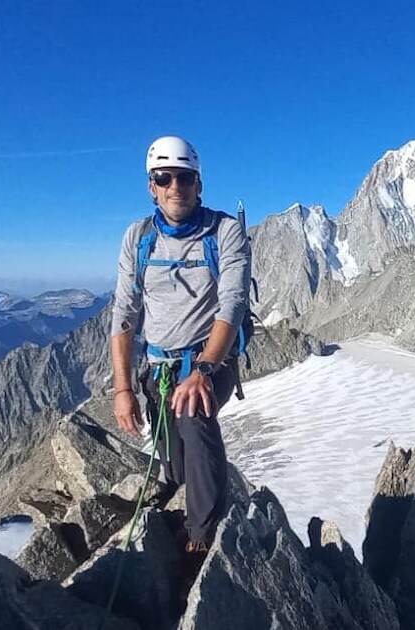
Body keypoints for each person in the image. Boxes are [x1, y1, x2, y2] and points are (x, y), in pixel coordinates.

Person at [110, 135, 252, 555]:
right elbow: (124, 315)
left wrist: (204, 370)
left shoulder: (225, 232)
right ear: (151, 186)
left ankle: (202, 540)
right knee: (174, 465)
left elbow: (233, 305)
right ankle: (184, 510)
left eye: (185, 178)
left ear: (198, 184)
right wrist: (123, 389)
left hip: (211, 360)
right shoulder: (138, 237)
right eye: (164, 178)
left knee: (194, 415)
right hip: (159, 368)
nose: (176, 187)